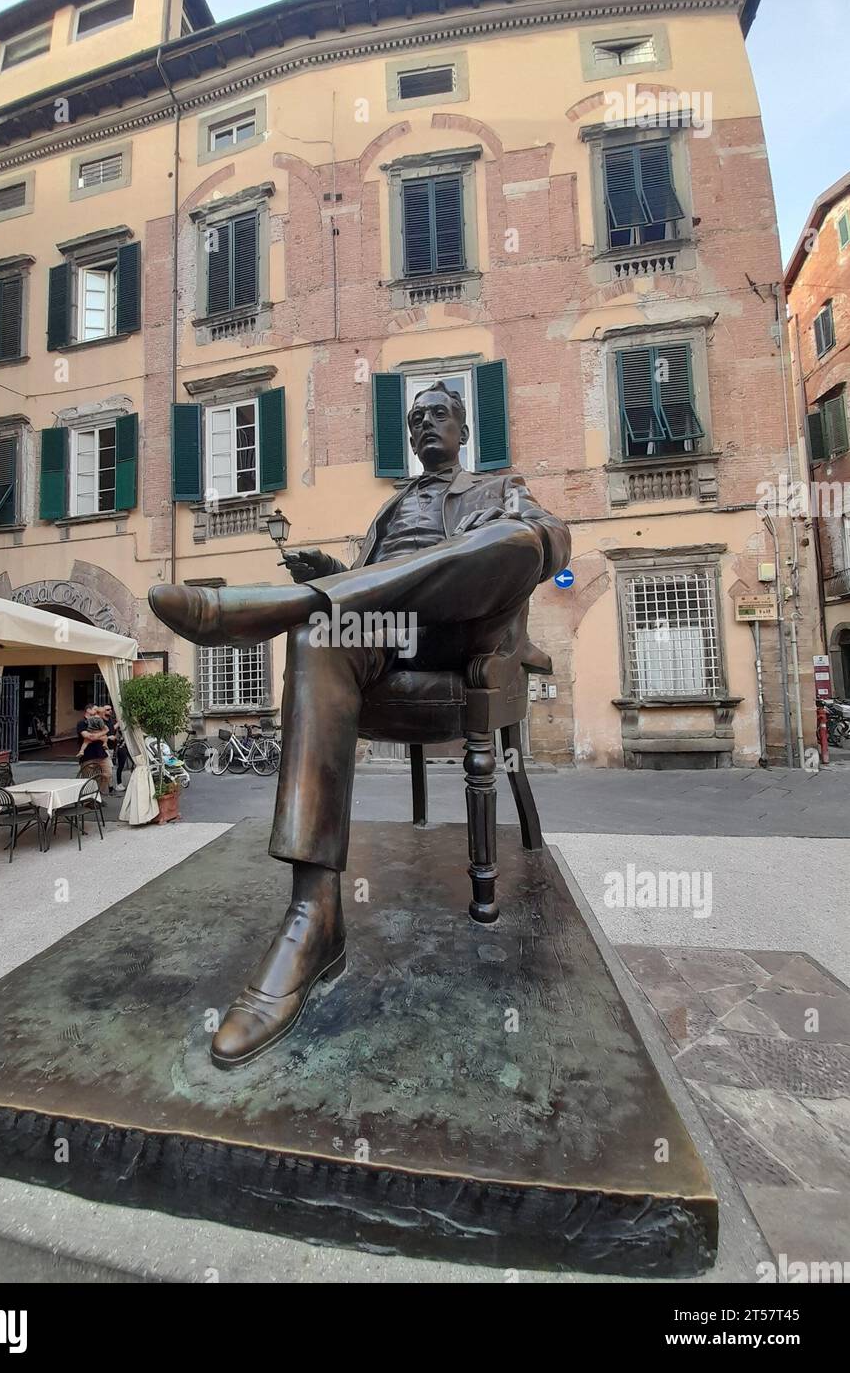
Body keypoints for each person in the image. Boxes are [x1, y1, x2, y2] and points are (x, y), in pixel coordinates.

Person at [149, 383, 570, 1069]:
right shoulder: (391, 507)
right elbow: (376, 591)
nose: (425, 425)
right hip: (390, 627)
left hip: (462, 634)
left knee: (519, 540)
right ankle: (314, 918)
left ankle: (279, 605)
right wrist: (337, 580)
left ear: (464, 428)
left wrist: (512, 536)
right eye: (415, 419)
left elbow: (551, 543)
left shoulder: (498, 488)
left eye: (438, 414)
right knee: (320, 631)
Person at [76, 704, 112, 797]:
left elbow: (105, 731)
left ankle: (97, 795)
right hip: (88, 755)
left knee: (107, 774)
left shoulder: (99, 721)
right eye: (95, 709)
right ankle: (89, 800)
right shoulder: (82, 723)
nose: (96, 711)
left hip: (101, 754)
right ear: (88, 710)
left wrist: (98, 736)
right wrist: (101, 735)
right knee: (88, 779)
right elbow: (87, 736)